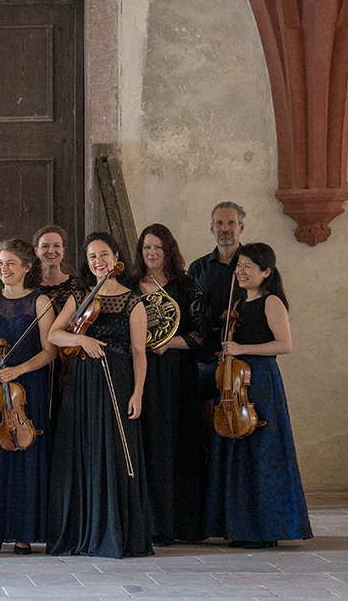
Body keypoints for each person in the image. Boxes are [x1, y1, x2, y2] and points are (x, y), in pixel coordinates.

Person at [46, 232, 152, 558]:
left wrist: (137, 393)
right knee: (84, 453)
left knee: (116, 455)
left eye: (103, 254)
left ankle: (114, 533)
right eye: (92, 256)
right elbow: (55, 334)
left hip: (117, 381)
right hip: (83, 383)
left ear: (115, 256)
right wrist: (83, 341)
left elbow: (139, 352)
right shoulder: (79, 296)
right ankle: (83, 531)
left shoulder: (133, 301)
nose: (98, 261)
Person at [205, 243, 312, 548]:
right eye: (239, 265)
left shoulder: (272, 302)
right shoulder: (237, 305)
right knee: (239, 457)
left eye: (248, 265)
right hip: (234, 383)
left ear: (266, 272)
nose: (241, 270)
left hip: (260, 384)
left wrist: (241, 348)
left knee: (264, 456)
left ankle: (266, 529)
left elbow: (284, 345)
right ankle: (241, 528)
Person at [0, 239, 56, 555]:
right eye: (0, 263)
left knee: (24, 456)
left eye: (10, 264)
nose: (3, 269)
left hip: (27, 385)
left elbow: (50, 351)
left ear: (27, 268)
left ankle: (23, 532)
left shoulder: (41, 302)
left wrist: (17, 371)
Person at [132, 224, 209, 545]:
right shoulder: (129, 286)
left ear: (169, 251)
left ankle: (180, 524)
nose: (152, 253)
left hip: (177, 375)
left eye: (158, 248)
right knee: (147, 445)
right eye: (147, 248)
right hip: (142, 375)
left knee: (178, 443)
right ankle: (150, 524)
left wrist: (169, 343)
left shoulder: (186, 287)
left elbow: (203, 335)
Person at [188, 203, 246, 393]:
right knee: (201, 419)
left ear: (241, 227)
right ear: (212, 228)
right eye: (219, 223)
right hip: (205, 359)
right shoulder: (197, 268)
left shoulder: (254, 266)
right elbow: (189, 312)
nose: (225, 229)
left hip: (243, 361)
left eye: (231, 223)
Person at [34, 225, 80, 437]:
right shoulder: (28, 288)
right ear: (36, 251)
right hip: (37, 359)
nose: (51, 251)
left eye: (56, 246)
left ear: (64, 250)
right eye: (45, 246)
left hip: (69, 361)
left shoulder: (77, 286)